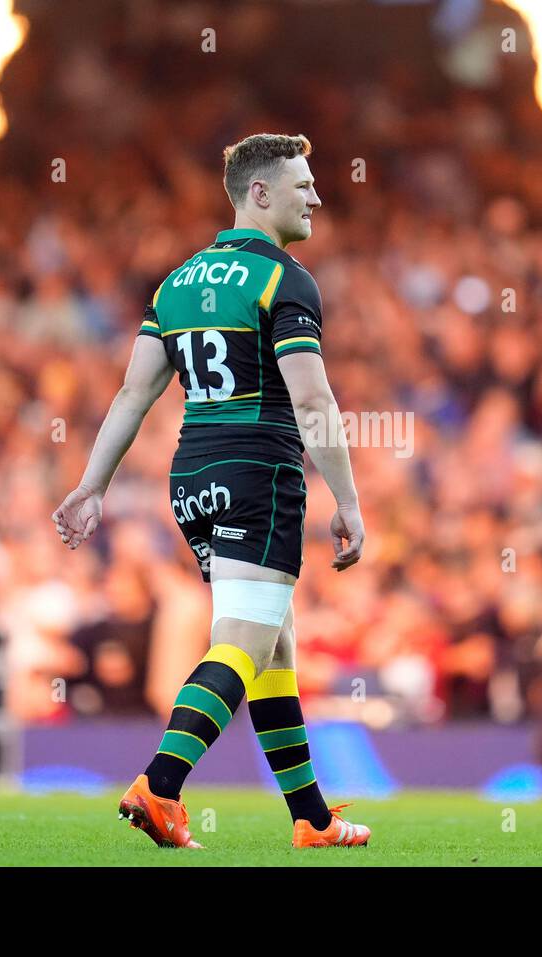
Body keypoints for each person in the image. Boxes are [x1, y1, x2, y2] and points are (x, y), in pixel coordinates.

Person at [52, 133, 370, 848]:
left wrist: (91, 485)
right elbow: (313, 400)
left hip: (194, 475)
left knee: (273, 642)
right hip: (260, 468)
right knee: (241, 642)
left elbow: (136, 392)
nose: (317, 195)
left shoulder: (177, 282)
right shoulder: (283, 278)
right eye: (303, 185)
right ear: (260, 194)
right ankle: (159, 786)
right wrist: (348, 500)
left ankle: (312, 817)